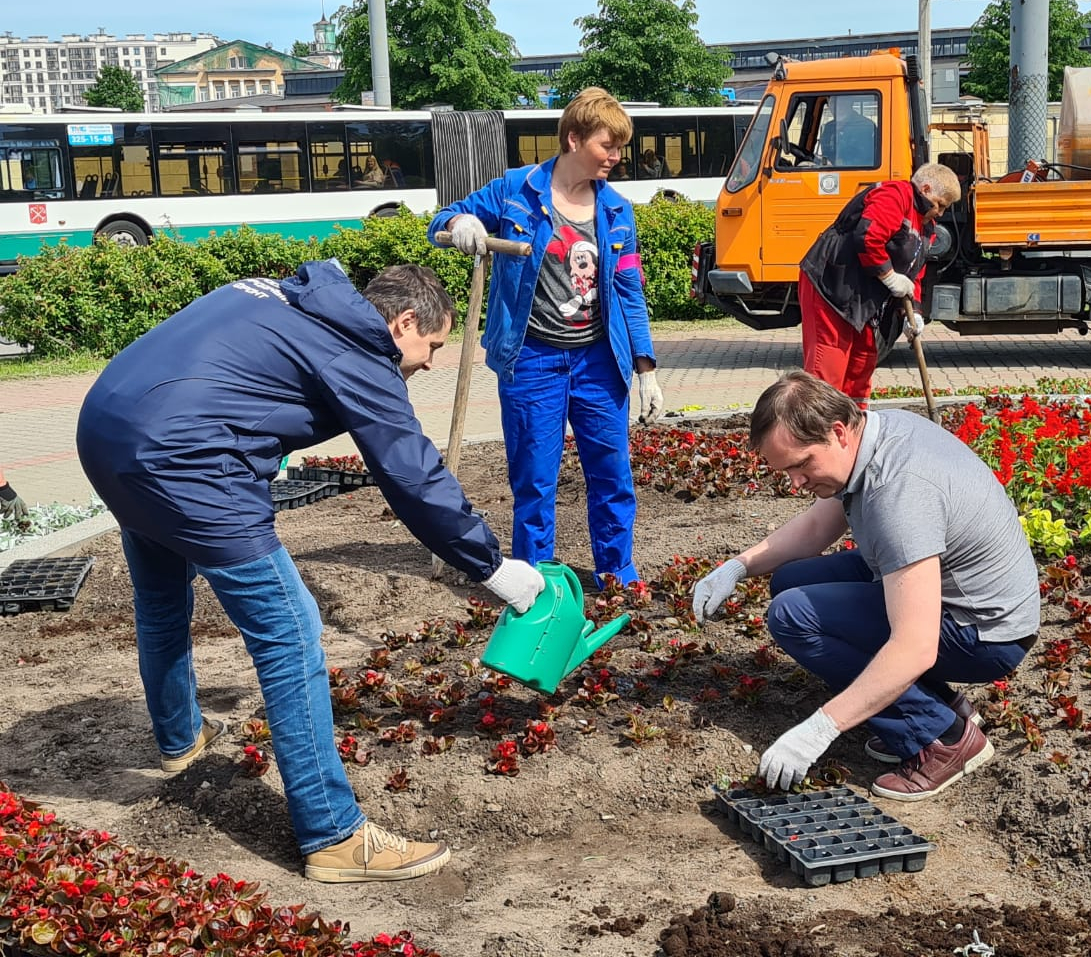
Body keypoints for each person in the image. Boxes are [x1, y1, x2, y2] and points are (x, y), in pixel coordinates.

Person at [76, 261, 546, 882]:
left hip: (108, 436)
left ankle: (180, 740)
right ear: (403, 323)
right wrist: (491, 565)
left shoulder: (294, 298)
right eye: (431, 346)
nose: (430, 363)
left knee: (162, 596)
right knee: (292, 633)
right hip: (185, 460)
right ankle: (333, 836)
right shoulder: (357, 346)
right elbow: (409, 472)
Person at [691, 371, 1040, 801]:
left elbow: (916, 646)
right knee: (790, 580)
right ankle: (940, 705)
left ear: (837, 431)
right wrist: (738, 567)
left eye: (801, 464)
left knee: (793, 616)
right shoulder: (872, 437)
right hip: (960, 598)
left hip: (984, 633)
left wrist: (821, 727)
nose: (795, 483)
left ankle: (943, 739)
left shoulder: (899, 493)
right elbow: (818, 527)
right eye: (787, 471)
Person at [428, 87, 664, 588]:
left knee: (612, 474)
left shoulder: (617, 210)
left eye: (620, 146)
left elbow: (628, 289)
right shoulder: (517, 191)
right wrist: (462, 221)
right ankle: (535, 579)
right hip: (531, 359)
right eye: (608, 145)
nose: (616, 157)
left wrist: (645, 369)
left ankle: (616, 572)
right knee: (534, 480)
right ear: (574, 138)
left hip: (600, 362)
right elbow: (441, 222)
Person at [797, 162, 960, 408]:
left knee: (862, 362)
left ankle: (854, 425)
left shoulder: (927, 227)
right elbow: (868, 238)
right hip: (833, 286)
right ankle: (818, 430)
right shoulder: (895, 195)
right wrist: (890, 277)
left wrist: (912, 313)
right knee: (829, 362)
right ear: (925, 189)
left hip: (866, 297)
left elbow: (914, 273)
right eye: (941, 204)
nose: (940, 213)